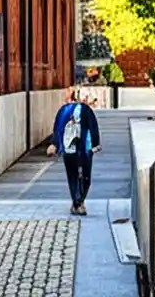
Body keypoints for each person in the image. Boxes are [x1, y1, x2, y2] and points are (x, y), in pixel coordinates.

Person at [46, 87, 101, 215]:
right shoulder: (66, 111)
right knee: (79, 176)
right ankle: (78, 203)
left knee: (77, 176)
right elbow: (58, 128)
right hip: (72, 148)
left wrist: (95, 143)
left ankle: (77, 202)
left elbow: (92, 127)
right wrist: (54, 144)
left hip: (82, 147)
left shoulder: (80, 110)